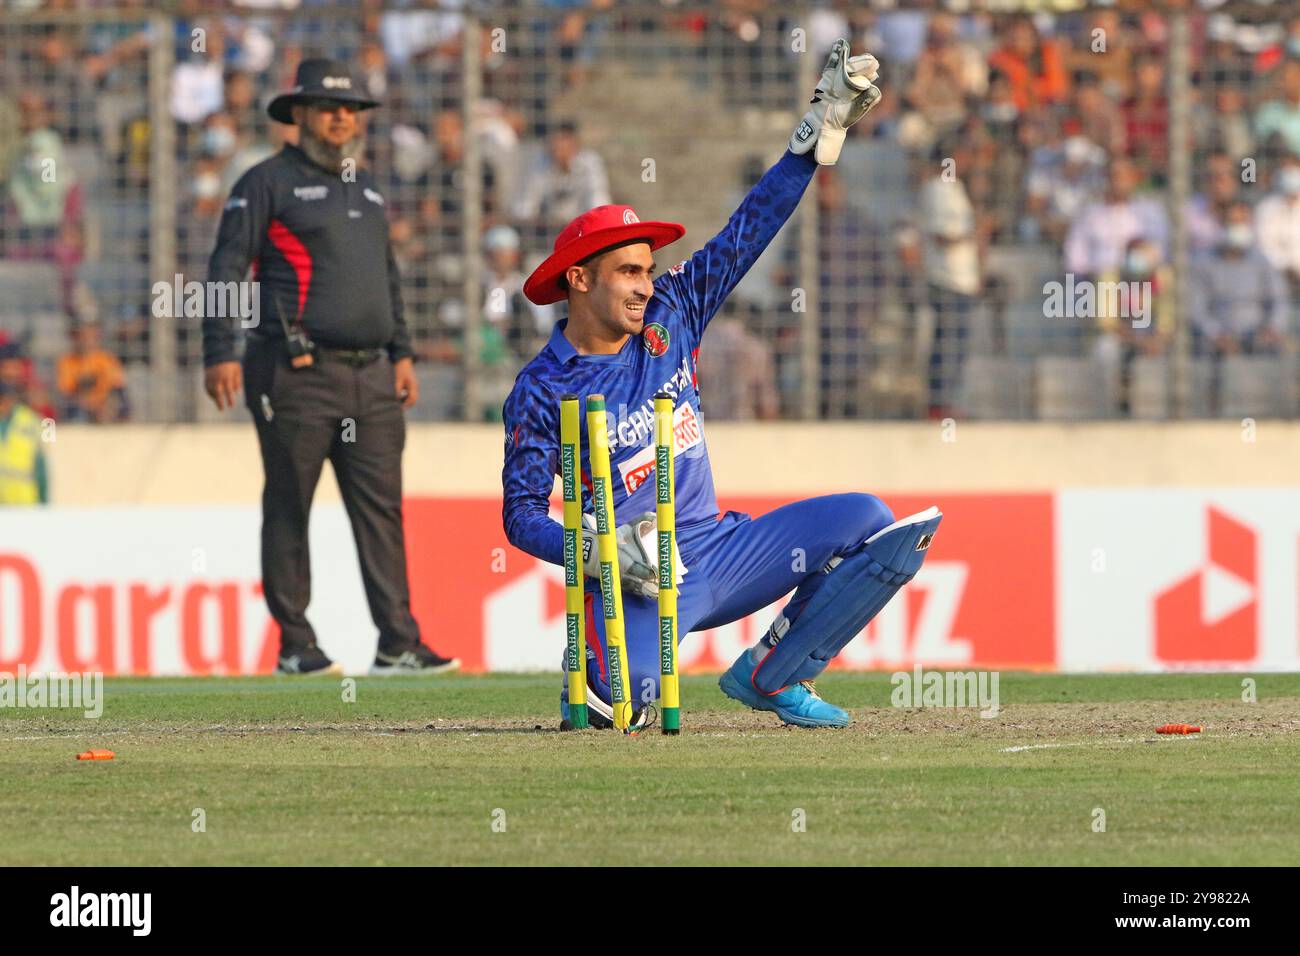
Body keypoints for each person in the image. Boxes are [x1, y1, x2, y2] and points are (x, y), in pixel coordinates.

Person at [501, 41, 941, 730]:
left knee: (870, 521)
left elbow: (748, 231)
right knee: (624, 707)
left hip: (720, 549)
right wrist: (599, 552)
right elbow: (520, 517)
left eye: (648, 269)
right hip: (633, 584)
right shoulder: (542, 385)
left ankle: (774, 675)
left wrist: (810, 141)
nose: (646, 285)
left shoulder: (673, 314)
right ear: (579, 280)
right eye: (627, 272)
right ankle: (611, 678)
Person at [202, 59, 458, 677]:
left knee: (383, 510)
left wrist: (402, 353)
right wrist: (219, 351)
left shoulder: (368, 187)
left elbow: (386, 280)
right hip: (294, 371)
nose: (341, 117)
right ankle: (296, 643)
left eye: (350, 109)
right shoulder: (263, 182)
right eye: (327, 107)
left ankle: (397, 642)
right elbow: (226, 268)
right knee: (290, 503)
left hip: (373, 377)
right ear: (299, 115)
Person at [0, 341, 48, 506]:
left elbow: (50, 436)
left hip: (25, 508)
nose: (13, 373)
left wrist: (43, 409)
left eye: (16, 367)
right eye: (8, 367)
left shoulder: (31, 416)